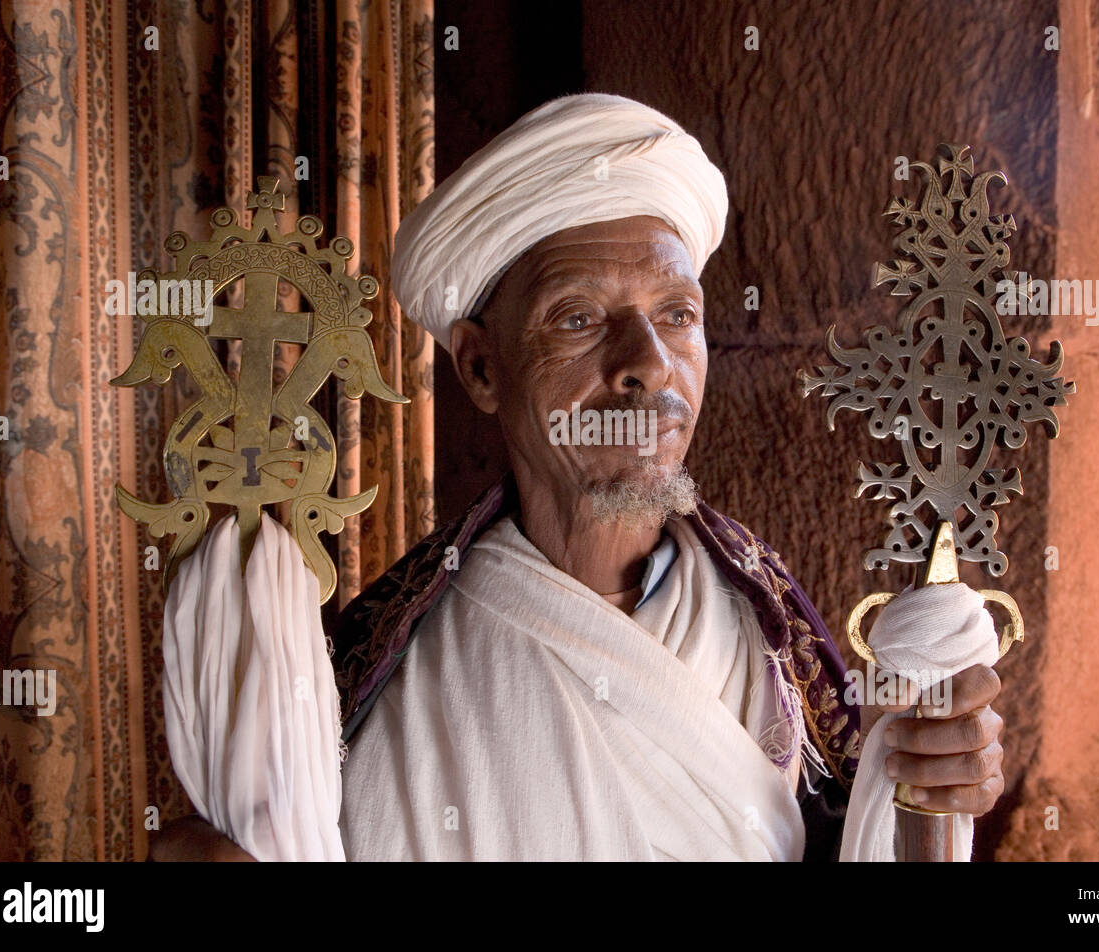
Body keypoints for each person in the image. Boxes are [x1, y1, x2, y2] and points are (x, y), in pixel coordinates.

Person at [152, 93, 1003, 862]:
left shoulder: (773, 643)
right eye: (580, 317)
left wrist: (927, 775)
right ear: (482, 369)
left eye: (678, 315)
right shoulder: (372, 697)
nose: (649, 366)